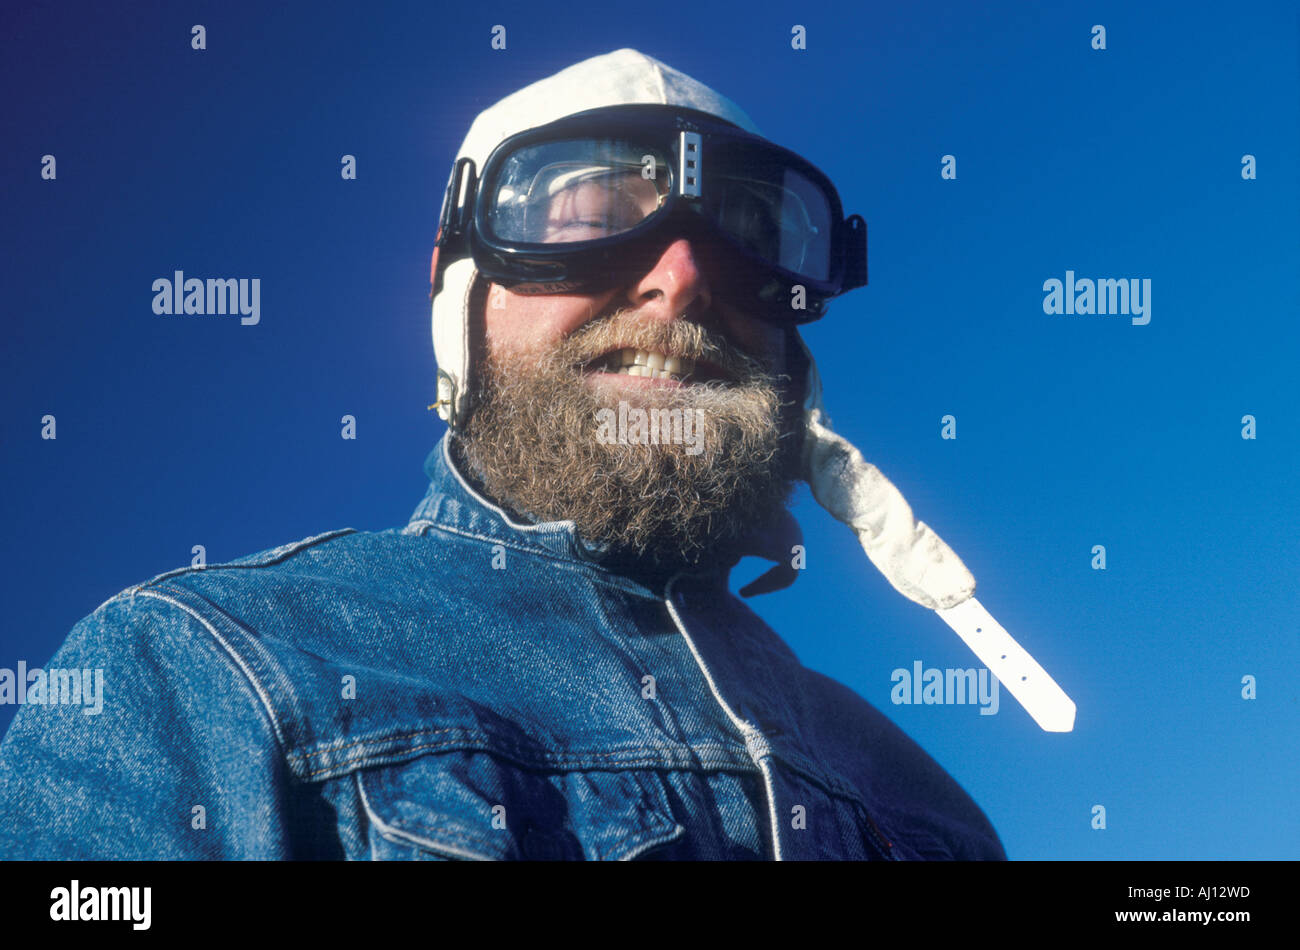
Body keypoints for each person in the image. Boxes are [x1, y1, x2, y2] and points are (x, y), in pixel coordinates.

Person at [0, 49, 1012, 860]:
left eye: (752, 233)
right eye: (588, 215)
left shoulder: (925, 805)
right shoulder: (205, 674)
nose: (684, 274)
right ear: (461, 295)